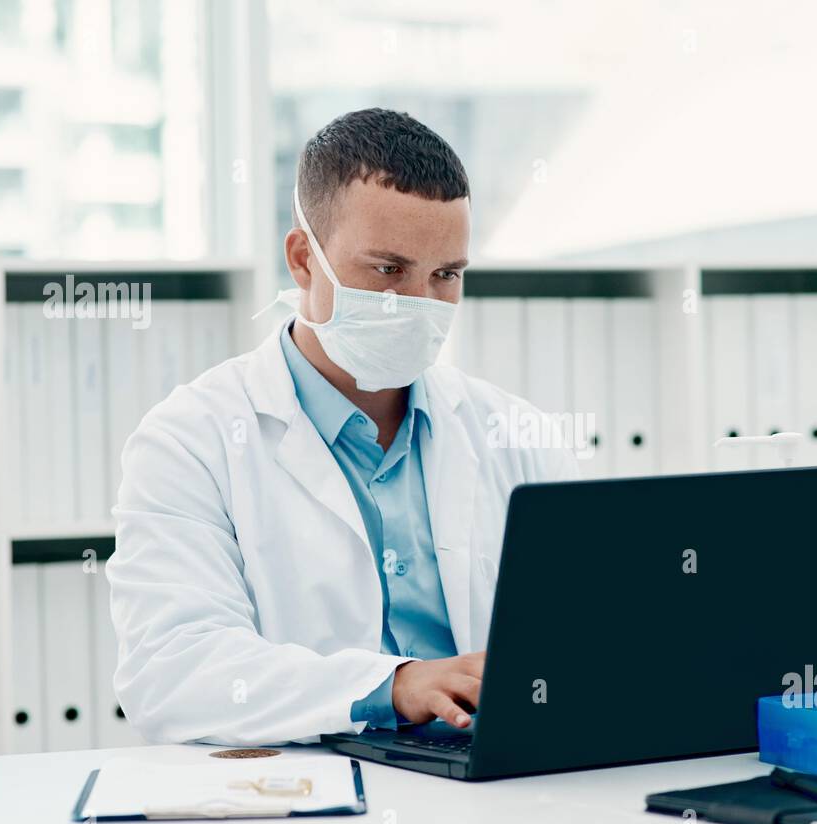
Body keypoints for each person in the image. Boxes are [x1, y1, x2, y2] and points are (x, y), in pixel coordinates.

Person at [105, 109, 579, 745]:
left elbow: (585, 637)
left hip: (492, 782)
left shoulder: (514, 431)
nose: (420, 304)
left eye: (446, 275)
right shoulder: (191, 440)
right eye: (388, 271)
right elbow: (173, 671)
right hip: (309, 797)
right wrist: (393, 685)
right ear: (304, 260)